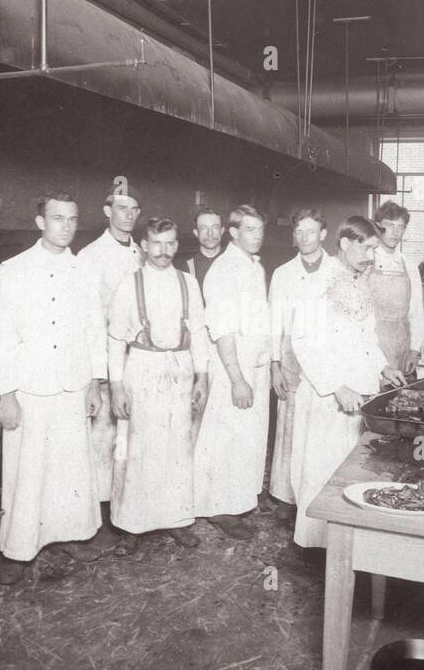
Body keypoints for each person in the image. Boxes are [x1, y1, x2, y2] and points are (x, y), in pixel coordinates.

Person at [0, 194, 108, 582]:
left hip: (72, 385)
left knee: (69, 469)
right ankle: (20, 549)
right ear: (40, 222)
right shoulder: (12, 270)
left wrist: (94, 384)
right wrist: (6, 393)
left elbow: (94, 330)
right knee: (28, 470)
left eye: (71, 219)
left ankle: (69, 536)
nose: (65, 226)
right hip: (29, 387)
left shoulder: (84, 272)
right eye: (57, 218)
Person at [290, 216, 405, 548]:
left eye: (373, 248)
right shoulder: (316, 284)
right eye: (367, 248)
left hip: (361, 390)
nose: (371, 255)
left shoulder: (360, 281)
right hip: (328, 394)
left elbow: (366, 337)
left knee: (352, 468)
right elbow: (303, 341)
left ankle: (346, 545)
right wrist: (337, 387)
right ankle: (314, 545)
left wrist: (384, 368)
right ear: (344, 243)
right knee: (322, 469)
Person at [107, 218, 210, 550]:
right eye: (156, 243)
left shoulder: (188, 283)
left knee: (178, 446)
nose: (163, 251)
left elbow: (200, 333)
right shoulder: (129, 284)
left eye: (170, 243)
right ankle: (131, 527)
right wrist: (117, 386)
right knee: (137, 448)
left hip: (179, 369)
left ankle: (176, 519)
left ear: (176, 246)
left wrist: (202, 375)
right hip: (142, 369)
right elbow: (114, 341)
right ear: (145, 245)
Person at [192, 204, 272, 540]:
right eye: (249, 230)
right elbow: (222, 330)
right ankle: (219, 508)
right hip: (232, 367)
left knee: (246, 439)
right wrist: (237, 378)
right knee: (227, 438)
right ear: (234, 232)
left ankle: (240, 500)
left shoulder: (252, 266)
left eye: (260, 230)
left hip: (254, 364)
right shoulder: (224, 269)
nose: (257, 237)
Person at [76, 188, 143, 551]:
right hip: (104, 358)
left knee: (129, 439)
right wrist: (98, 371)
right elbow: (88, 317)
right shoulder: (90, 256)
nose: (128, 215)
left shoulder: (140, 251)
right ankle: (101, 516)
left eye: (134, 209)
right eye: (121, 208)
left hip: (138, 360)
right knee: (102, 438)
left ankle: (127, 510)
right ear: (107, 211)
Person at [268, 208, 333, 522]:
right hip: (293, 362)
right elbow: (274, 323)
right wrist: (275, 365)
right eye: (299, 232)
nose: (304, 238)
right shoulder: (283, 273)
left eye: (311, 231)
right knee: (291, 427)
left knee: (321, 430)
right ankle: (287, 496)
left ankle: (320, 494)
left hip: (327, 362)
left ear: (323, 234)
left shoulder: (338, 270)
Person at [369, 200, 424, 374]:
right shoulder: (366, 260)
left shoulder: (408, 265)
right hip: (371, 346)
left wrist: (415, 350)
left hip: (401, 347)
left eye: (401, 227)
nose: (395, 232)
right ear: (378, 226)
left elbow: (416, 311)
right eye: (390, 225)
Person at [177, 206, 224, 296]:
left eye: (215, 227)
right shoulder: (187, 269)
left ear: (221, 231)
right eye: (204, 228)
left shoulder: (234, 261)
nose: (210, 233)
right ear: (196, 233)